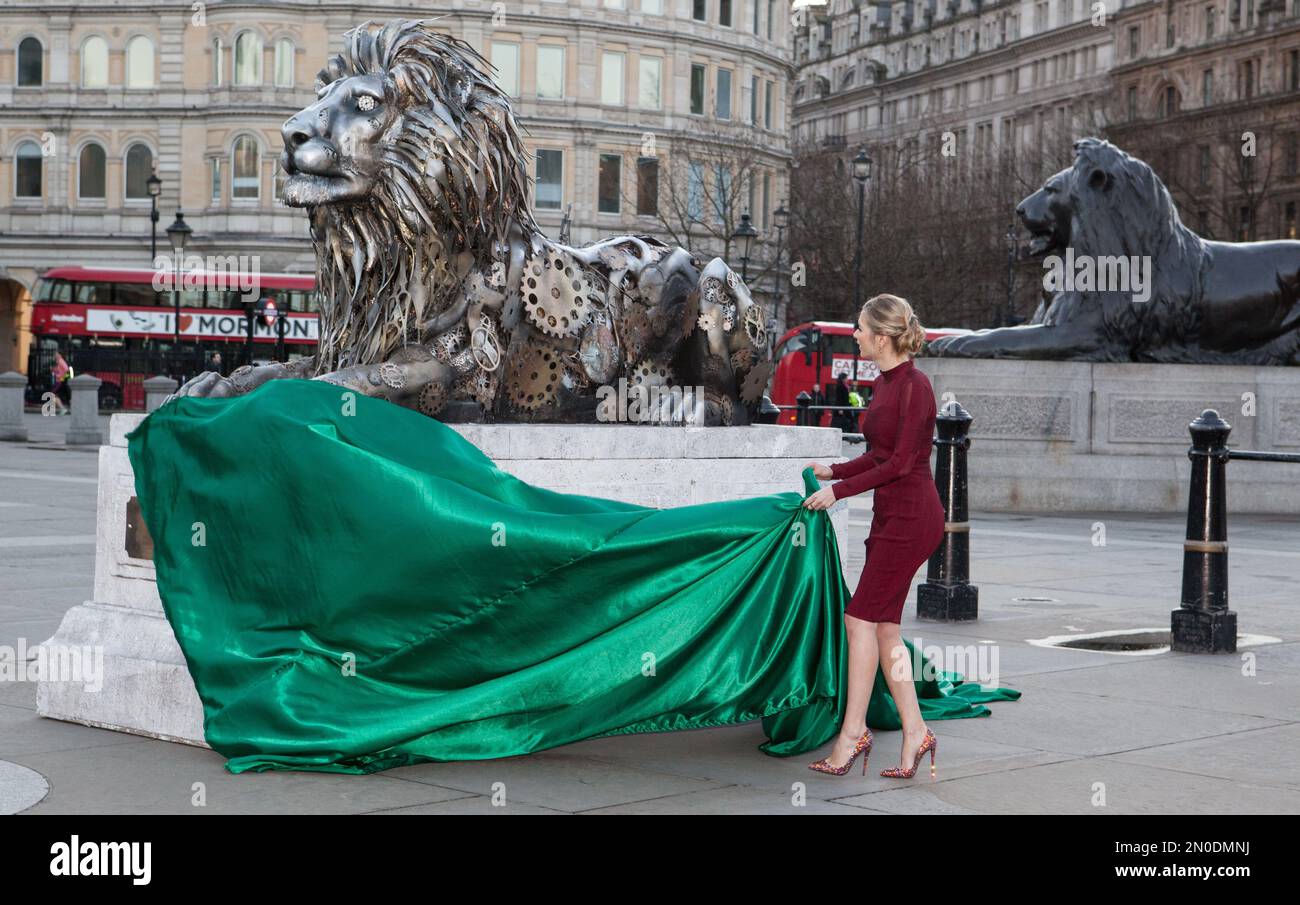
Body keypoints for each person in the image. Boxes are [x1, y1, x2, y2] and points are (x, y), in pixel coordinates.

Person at [800, 293, 945, 779]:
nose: (855, 334)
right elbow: (879, 455)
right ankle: (915, 732)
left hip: (912, 518)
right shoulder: (885, 384)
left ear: (882, 336)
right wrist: (834, 470)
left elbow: (902, 463)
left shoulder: (915, 386)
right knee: (885, 629)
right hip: (892, 516)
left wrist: (838, 492)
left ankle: (852, 732)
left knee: (858, 620)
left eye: (860, 327)